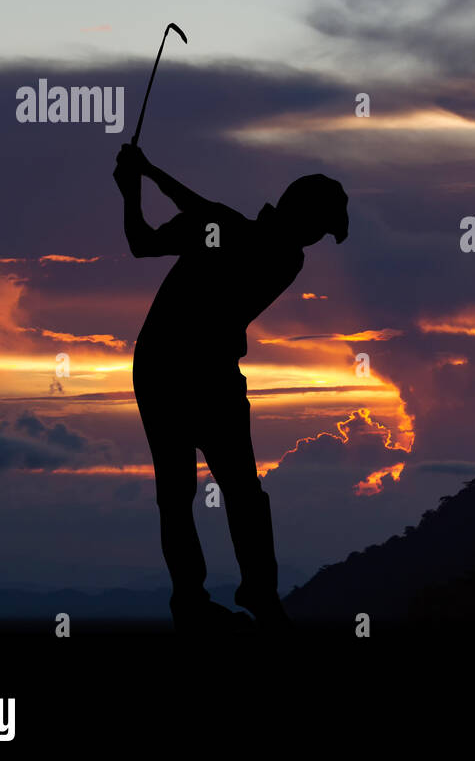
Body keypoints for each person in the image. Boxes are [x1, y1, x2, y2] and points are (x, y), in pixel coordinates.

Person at [112, 143, 348, 632]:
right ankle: (199, 600)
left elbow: (208, 224)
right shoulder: (241, 234)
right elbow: (155, 237)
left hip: (202, 372)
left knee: (238, 492)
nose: (316, 239)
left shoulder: (283, 257)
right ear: (297, 213)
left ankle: (248, 595)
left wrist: (144, 178)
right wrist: (141, 183)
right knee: (182, 493)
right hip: (168, 369)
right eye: (319, 226)